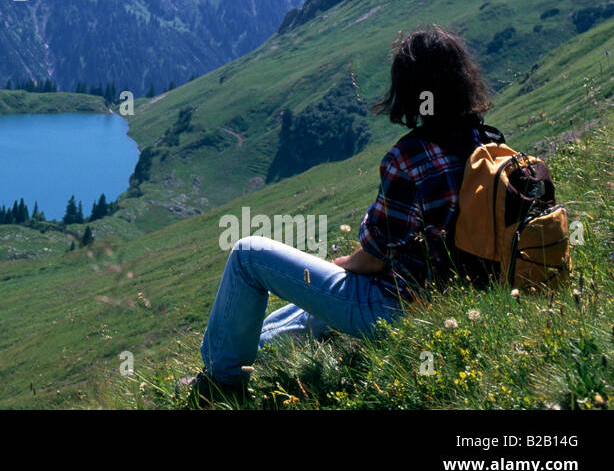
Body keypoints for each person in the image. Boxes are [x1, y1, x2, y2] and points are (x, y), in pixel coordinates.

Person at [190, 25, 501, 406]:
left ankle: (219, 383)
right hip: (463, 304)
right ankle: (249, 360)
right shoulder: (489, 146)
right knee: (315, 303)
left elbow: (372, 259)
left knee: (247, 254)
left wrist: (343, 264)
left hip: (396, 310)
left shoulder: (409, 158)